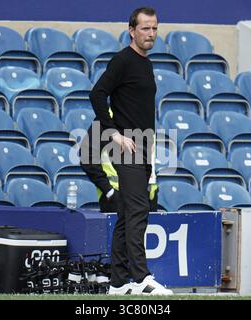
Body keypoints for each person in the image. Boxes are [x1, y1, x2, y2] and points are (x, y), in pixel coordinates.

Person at [89, 7, 172, 295]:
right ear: (131, 30)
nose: (151, 34)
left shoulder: (145, 64)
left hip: (144, 147)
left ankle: (118, 282)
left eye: (154, 28)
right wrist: (113, 132)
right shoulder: (123, 60)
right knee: (138, 211)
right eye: (145, 28)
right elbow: (97, 93)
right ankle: (141, 279)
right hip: (127, 148)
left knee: (127, 216)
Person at [80, 122, 158, 213]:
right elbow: (86, 157)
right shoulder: (105, 119)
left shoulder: (144, 114)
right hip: (118, 197)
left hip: (148, 195)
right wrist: (109, 191)